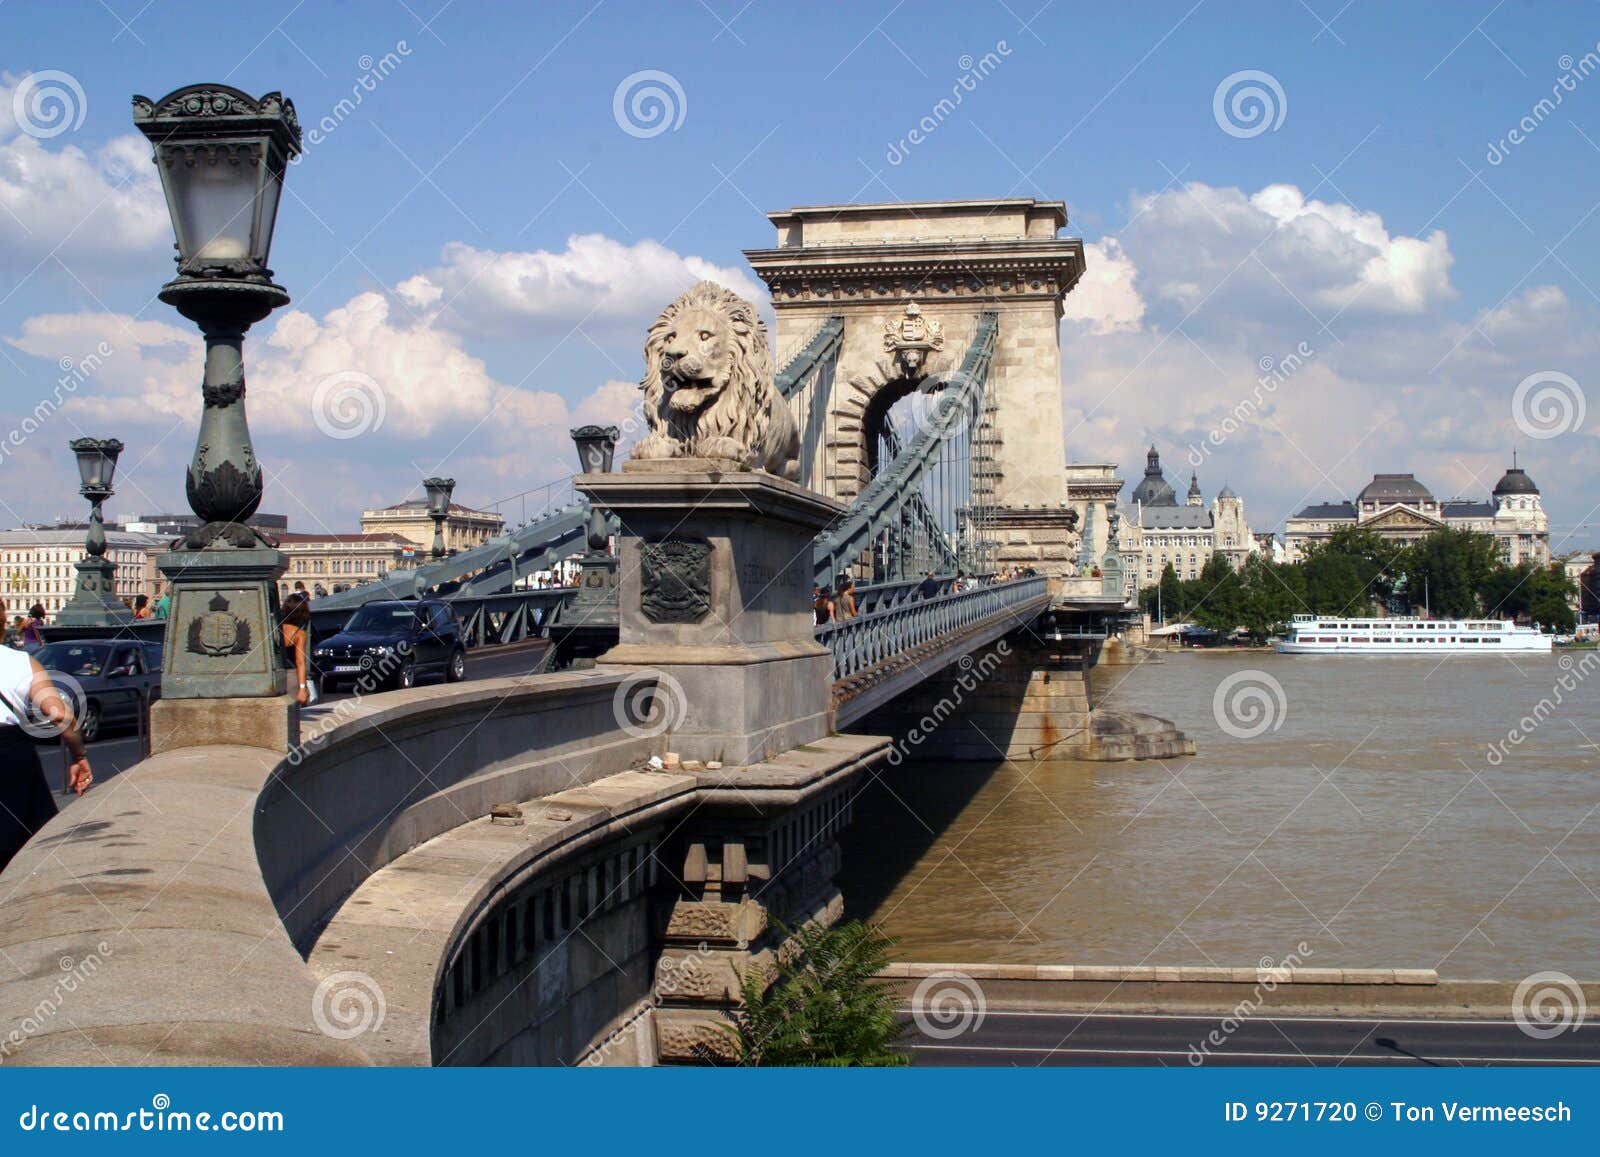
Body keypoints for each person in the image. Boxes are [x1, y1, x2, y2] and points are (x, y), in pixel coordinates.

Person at [0, 642, 92, 872]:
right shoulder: (21, 662)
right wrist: (79, 756)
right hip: (11, 752)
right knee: (27, 842)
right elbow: (61, 716)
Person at [280, 591, 315, 706]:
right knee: (294, 713)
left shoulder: (274, 629)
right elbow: (300, 662)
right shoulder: (299, 634)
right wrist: (302, 688)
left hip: (275, 675)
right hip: (292, 677)